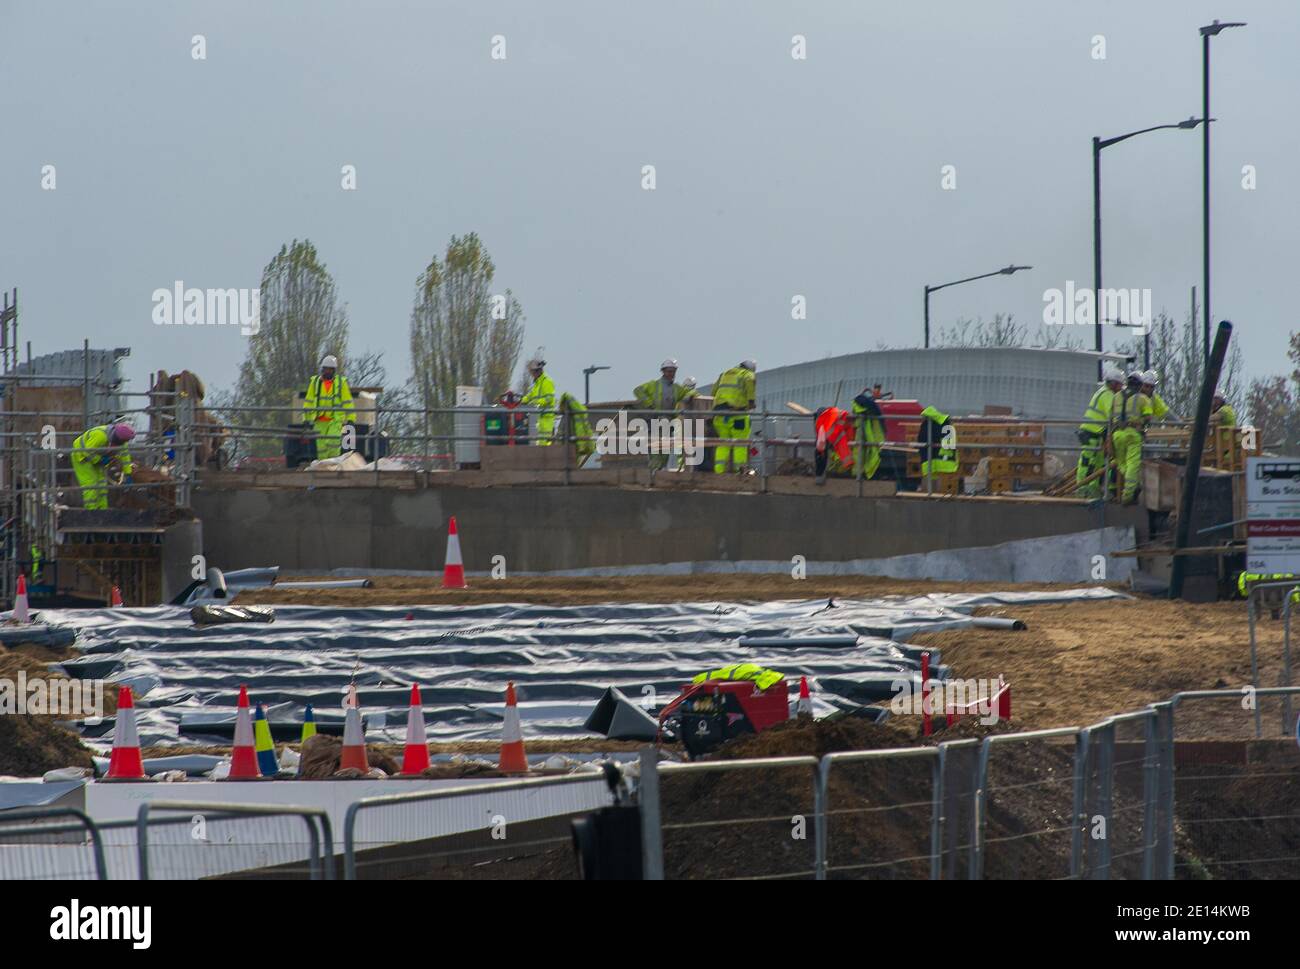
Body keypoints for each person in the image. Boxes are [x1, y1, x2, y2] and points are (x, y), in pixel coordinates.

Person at [634, 359, 692, 469]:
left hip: (668, 423)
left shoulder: (677, 388)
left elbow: (688, 393)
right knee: (655, 451)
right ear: (663, 371)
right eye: (669, 371)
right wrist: (649, 404)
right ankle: (653, 475)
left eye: (673, 371)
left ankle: (658, 474)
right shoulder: (654, 385)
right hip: (655, 421)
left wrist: (688, 398)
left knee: (665, 452)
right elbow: (637, 390)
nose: (671, 374)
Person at [1077, 366, 1125, 498]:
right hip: (1091, 432)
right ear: (1114, 384)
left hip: (1095, 432)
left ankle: (1093, 489)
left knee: (1097, 463)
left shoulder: (1103, 392)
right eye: (1120, 385)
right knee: (1087, 462)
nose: (1121, 388)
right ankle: (1082, 488)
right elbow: (1113, 414)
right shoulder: (1107, 395)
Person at [1110, 370, 1152, 504]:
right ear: (1140, 385)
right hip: (1132, 434)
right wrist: (1141, 424)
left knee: (1121, 463)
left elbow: (1110, 417)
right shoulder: (1143, 399)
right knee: (1133, 464)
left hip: (1117, 434)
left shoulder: (1116, 397)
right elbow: (1148, 417)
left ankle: (1132, 485)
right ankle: (1128, 494)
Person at [71, 423, 135, 510]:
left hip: (98, 457)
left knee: (102, 485)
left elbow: (125, 458)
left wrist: (128, 474)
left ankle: (102, 511)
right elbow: (86, 451)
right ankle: (91, 512)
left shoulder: (122, 442)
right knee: (91, 485)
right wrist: (100, 460)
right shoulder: (100, 435)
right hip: (81, 457)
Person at [303, 354, 355, 459]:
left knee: (333, 441)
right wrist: (306, 420)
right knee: (321, 447)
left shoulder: (341, 383)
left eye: (330, 369)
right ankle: (323, 466)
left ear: (334, 370)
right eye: (326, 369)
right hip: (319, 420)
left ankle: (333, 464)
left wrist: (350, 419)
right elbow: (308, 402)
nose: (327, 371)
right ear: (322, 369)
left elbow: (348, 402)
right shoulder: (315, 382)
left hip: (335, 420)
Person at [711, 359, 756, 473]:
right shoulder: (747, 374)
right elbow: (750, 381)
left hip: (720, 415)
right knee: (740, 443)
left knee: (723, 443)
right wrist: (751, 401)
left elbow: (713, 392)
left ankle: (718, 471)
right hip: (738, 415)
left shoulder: (725, 374)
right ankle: (739, 470)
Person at [521, 354, 557, 445]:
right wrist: (520, 400)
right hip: (539, 418)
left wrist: (535, 403)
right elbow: (530, 396)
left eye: (532, 372)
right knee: (540, 442)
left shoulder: (547, 381)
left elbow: (548, 399)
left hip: (547, 418)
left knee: (545, 442)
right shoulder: (537, 383)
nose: (532, 374)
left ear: (538, 371)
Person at [916, 405, 958, 479]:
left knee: (932, 485)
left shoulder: (926, 425)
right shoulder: (947, 424)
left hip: (931, 463)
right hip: (949, 463)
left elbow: (921, 441)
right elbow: (951, 444)